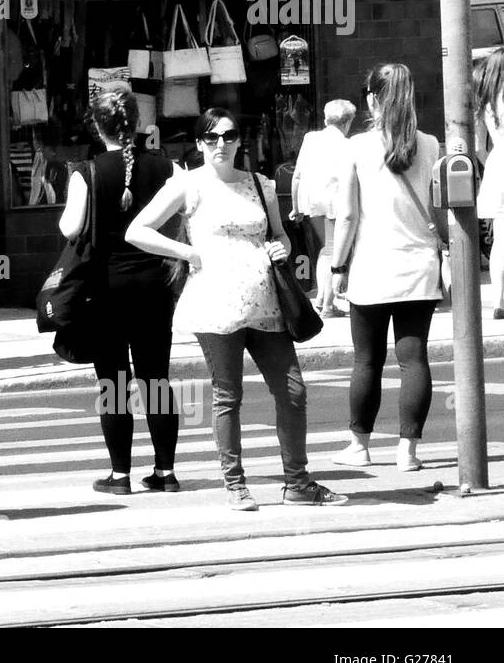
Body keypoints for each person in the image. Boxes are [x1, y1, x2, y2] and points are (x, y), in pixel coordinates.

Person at [126, 108, 347, 510]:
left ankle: (297, 482)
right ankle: (235, 483)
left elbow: (279, 235)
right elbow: (136, 230)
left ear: (239, 140)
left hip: (266, 302)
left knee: (293, 390)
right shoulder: (188, 185)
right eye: (211, 138)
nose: (220, 145)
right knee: (228, 395)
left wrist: (283, 247)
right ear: (198, 144)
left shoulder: (259, 185)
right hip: (216, 303)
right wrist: (186, 252)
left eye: (228, 136)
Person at [58, 91, 179, 495]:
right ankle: (165, 473)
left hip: (104, 290)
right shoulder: (167, 167)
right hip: (155, 285)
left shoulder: (86, 172)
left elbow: (70, 229)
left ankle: (120, 475)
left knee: (112, 380)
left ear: (97, 126)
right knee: (156, 378)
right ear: (139, 123)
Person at [331, 64, 441, 473]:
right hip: (419, 266)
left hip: (371, 268)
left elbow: (346, 216)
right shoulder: (430, 145)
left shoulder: (357, 147)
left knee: (367, 360)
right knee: (414, 360)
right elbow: (440, 207)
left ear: (373, 100)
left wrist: (337, 266)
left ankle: (359, 445)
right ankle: (407, 452)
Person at [289, 99, 357, 318]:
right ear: (348, 122)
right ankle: (328, 305)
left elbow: (297, 176)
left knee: (324, 249)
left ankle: (321, 298)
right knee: (331, 250)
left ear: (326, 119)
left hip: (311, 203)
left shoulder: (310, 138)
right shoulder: (348, 144)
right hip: (334, 204)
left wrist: (295, 206)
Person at [474, 48, 504, 320]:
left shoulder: (486, 102)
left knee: (500, 241)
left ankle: (499, 300)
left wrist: (491, 161)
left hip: (498, 163)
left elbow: (477, 147)